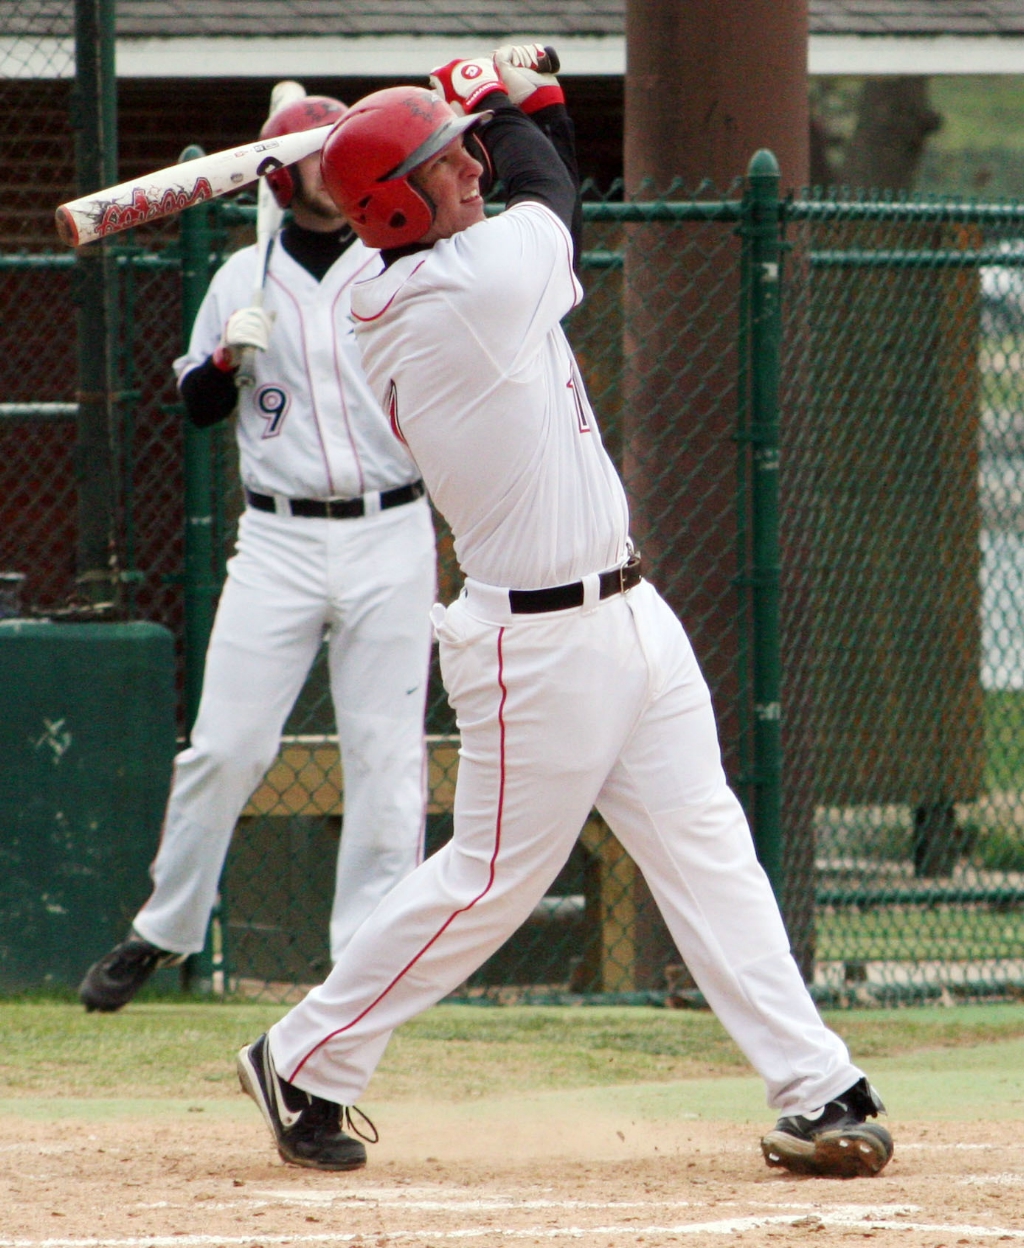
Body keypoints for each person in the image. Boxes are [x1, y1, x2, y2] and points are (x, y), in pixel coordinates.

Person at [234, 48, 895, 1179]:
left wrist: (506, 103)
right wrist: (496, 90)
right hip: (532, 643)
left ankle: (820, 1088)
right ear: (396, 208)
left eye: (468, 157)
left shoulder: (425, 261)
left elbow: (544, 174)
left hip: (627, 613)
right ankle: (303, 1055)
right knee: (488, 882)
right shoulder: (452, 292)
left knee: (708, 846)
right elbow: (551, 194)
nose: (473, 173)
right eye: (448, 168)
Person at [78, 95, 437, 1013]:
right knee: (226, 746)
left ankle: (364, 966)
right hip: (275, 535)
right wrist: (228, 365)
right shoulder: (242, 278)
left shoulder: (395, 261)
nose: (339, 170)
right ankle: (163, 930)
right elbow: (196, 408)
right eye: (320, 157)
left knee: (386, 758)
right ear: (279, 175)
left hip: (391, 527)